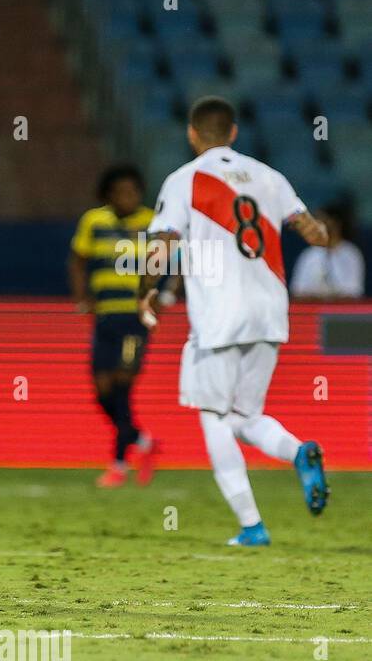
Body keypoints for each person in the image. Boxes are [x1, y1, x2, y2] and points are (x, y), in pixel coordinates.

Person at [141, 96, 330, 546]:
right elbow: (316, 234)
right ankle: (299, 452)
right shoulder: (270, 177)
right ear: (233, 133)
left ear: (192, 133)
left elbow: (163, 241)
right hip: (269, 311)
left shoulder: (184, 180)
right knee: (245, 415)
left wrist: (145, 290)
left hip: (219, 315)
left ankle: (252, 526)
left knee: (213, 416)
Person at [69, 164, 159, 487]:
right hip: (105, 315)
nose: (127, 198)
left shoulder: (152, 222)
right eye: (120, 192)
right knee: (102, 392)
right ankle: (143, 441)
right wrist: (83, 298)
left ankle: (119, 464)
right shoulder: (94, 221)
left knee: (123, 386)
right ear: (108, 195)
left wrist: (161, 297)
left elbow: (171, 261)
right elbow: (78, 260)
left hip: (135, 319)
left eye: (133, 192)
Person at [290, 203, 364, 300]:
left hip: (342, 313)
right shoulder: (309, 255)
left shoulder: (351, 254)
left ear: (336, 223)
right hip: (312, 311)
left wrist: (329, 298)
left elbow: (354, 292)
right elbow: (297, 291)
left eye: (323, 221)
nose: (318, 225)